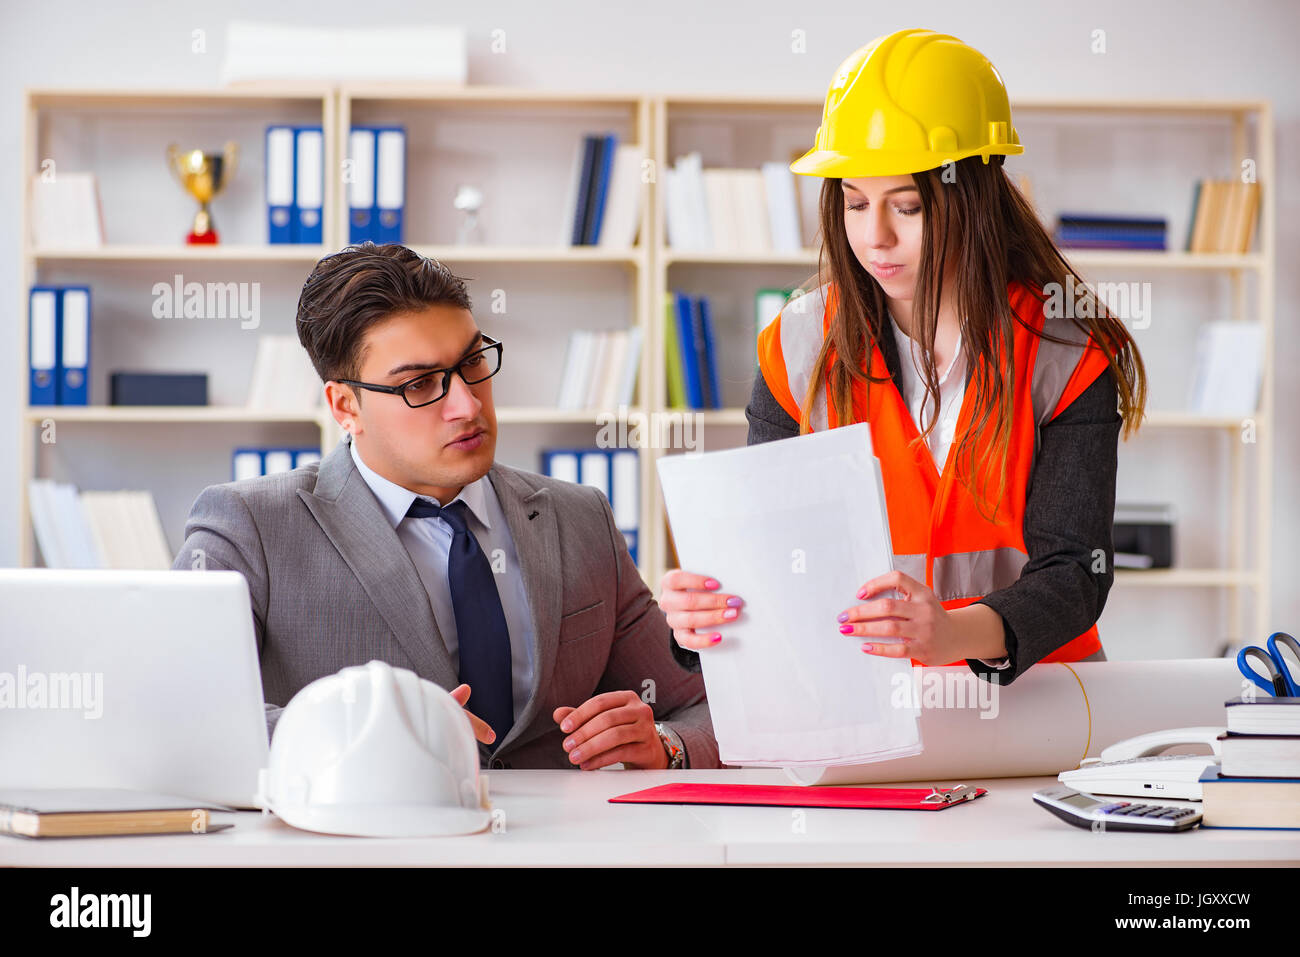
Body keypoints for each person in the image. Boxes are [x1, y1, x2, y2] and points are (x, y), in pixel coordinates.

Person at [659, 28, 1148, 685]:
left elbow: (1075, 573)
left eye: (908, 206)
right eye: (855, 202)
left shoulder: (1066, 351)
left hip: (1042, 712)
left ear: (972, 198)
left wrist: (953, 633)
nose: (873, 236)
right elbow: (770, 557)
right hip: (865, 708)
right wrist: (701, 621)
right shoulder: (797, 348)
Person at [173, 242, 719, 770]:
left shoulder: (581, 519)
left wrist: (664, 744)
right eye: (420, 384)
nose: (466, 404)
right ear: (346, 406)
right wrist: (362, 735)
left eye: (473, 362)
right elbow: (182, 713)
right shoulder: (250, 528)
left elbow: (707, 706)